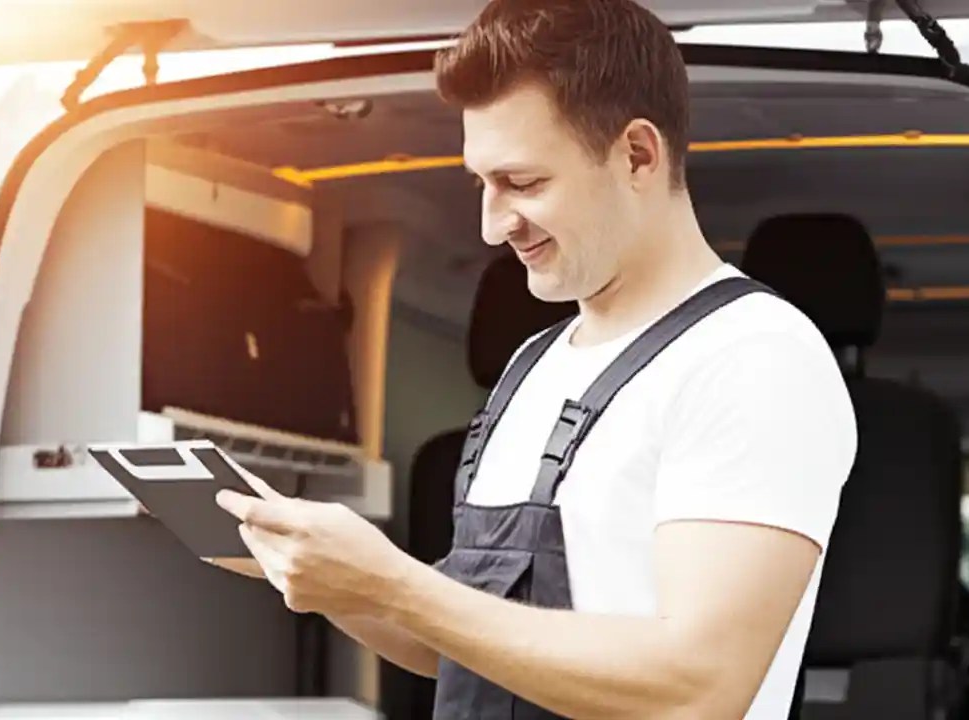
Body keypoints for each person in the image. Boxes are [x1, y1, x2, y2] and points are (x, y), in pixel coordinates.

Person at [211, 0, 857, 717]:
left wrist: (393, 580)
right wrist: (304, 567)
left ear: (638, 154)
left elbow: (699, 689)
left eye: (523, 183)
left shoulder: (752, 358)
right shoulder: (533, 365)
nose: (492, 225)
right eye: (481, 184)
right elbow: (459, 641)